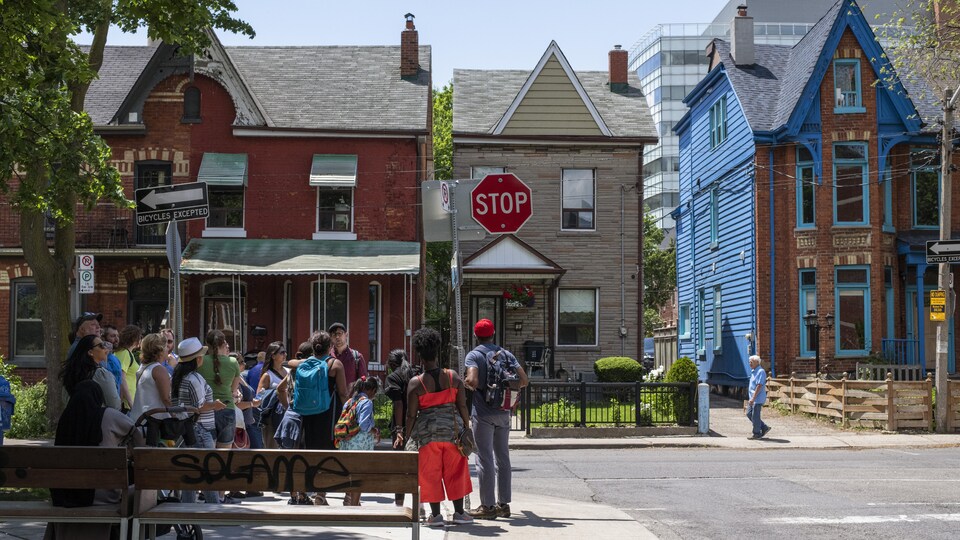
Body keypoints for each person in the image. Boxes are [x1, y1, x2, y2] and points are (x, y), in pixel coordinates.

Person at [45, 379, 143, 539]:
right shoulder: (109, 415)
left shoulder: (65, 420)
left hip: (65, 495)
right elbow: (136, 433)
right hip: (103, 494)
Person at [405, 327, 473, 528]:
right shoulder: (452, 377)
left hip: (427, 436)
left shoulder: (415, 383)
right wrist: (465, 427)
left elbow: (411, 415)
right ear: (437, 351)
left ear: (419, 355)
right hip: (452, 433)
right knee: (456, 471)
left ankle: (435, 516)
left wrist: (408, 436)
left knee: (430, 473)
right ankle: (459, 513)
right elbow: (462, 405)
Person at [464, 318, 528, 520]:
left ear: (476, 336)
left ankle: (488, 507)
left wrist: (464, 381)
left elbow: (473, 381)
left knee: (484, 458)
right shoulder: (506, 354)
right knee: (503, 458)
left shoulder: (474, 355)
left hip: (483, 413)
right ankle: (504, 504)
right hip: (504, 412)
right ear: (493, 334)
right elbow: (524, 380)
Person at [283, 331, 348, 506]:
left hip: (306, 416)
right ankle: (320, 495)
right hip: (328, 417)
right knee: (326, 455)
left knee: (307, 454)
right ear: (330, 347)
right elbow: (342, 393)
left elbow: (288, 362)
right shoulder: (335, 365)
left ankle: (303, 492)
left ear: (313, 347)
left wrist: (303, 360)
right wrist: (348, 412)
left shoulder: (305, 364)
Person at [172, 337, 227, 505]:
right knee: (208, 474)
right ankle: (214, 511)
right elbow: (199, 407)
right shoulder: (193, 379)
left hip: (187, 430)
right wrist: (216, 405)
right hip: (200, 429)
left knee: (192, 474)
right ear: (197, 359)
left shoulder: (179, 377)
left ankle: (188, 511)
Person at [337, 376, 381, 506]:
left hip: (346, 442)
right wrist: (375, 430)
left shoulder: (350, 401)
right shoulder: (366, 402)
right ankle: (354, 504)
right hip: (360, 443)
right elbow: (364, 425)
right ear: (371, 390)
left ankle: (348, 498)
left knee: (350, 471)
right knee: (359, 473)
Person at [197, 330, 241, 451]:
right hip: (227, 408)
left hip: (206, 409)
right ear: (223, 344)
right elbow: (233, 389)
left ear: (207, 344)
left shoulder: (200, 361)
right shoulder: (233, 362)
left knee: (207, 451)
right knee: (224, 454)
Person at [385, 348, 418, 506]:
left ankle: (399, 504)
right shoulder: (416, 375)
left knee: (400, 466)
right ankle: (420, 504)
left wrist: (399, 430)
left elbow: (398, 403)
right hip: (419, 425)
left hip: (402, 426)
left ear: (391, 364)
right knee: (417, 465)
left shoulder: (393, 377)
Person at [129, 333, 174, 446]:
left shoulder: (144, 366)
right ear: (158, 350)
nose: (167, 348)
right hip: (152, 424)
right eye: (165, 346)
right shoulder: (159, 369)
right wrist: (179, 415)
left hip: (139, 421)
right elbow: (166, 399)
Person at [61, 334, 122, 410]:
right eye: (101, 345)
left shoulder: (71, 374)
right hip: (96, 419)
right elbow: (115, 405)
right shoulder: (101, 374)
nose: (105, 348)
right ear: (90, 352)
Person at [256, 341, 288, 449]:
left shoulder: (288, 372)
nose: (285, 355)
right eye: (282, 352)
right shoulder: (267, 375)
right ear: (273, 356)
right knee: (272, 447)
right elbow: (259, 396)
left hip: (287, 414)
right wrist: (275, 393)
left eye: (285, 352)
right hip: (272, 418)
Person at [329, 322, 367, 387]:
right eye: (334, 334)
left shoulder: (357, 357)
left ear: (346, 335)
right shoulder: (328, 357)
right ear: (331, 338)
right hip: (331, 397)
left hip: (351, 396)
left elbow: (363, 382)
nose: (337, 337)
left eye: (339, 333)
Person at [115, 325, 143, 411]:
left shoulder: (122, 352)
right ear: (135, 339)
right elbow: (122, 378)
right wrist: (131, 402)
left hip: (126, 401)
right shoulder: (125, 353)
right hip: (126, 403)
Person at [747, 354, 771, 440]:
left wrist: (753, 398)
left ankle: (756, 433)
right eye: (749, 362)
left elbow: (759, 385)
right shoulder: (754, 371)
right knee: (749, 414)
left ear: (757, 362)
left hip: (757, 398)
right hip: (752, 398)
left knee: (755, 416)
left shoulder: (760, 371)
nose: (750, 363)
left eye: (751, 362)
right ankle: (764, 427)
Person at [101, 324, 125, 398]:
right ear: (103, 338)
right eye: (113, 336)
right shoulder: (99, 358)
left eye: (117, 336)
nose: (117, 339)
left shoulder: (115, 358)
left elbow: (120, 383)